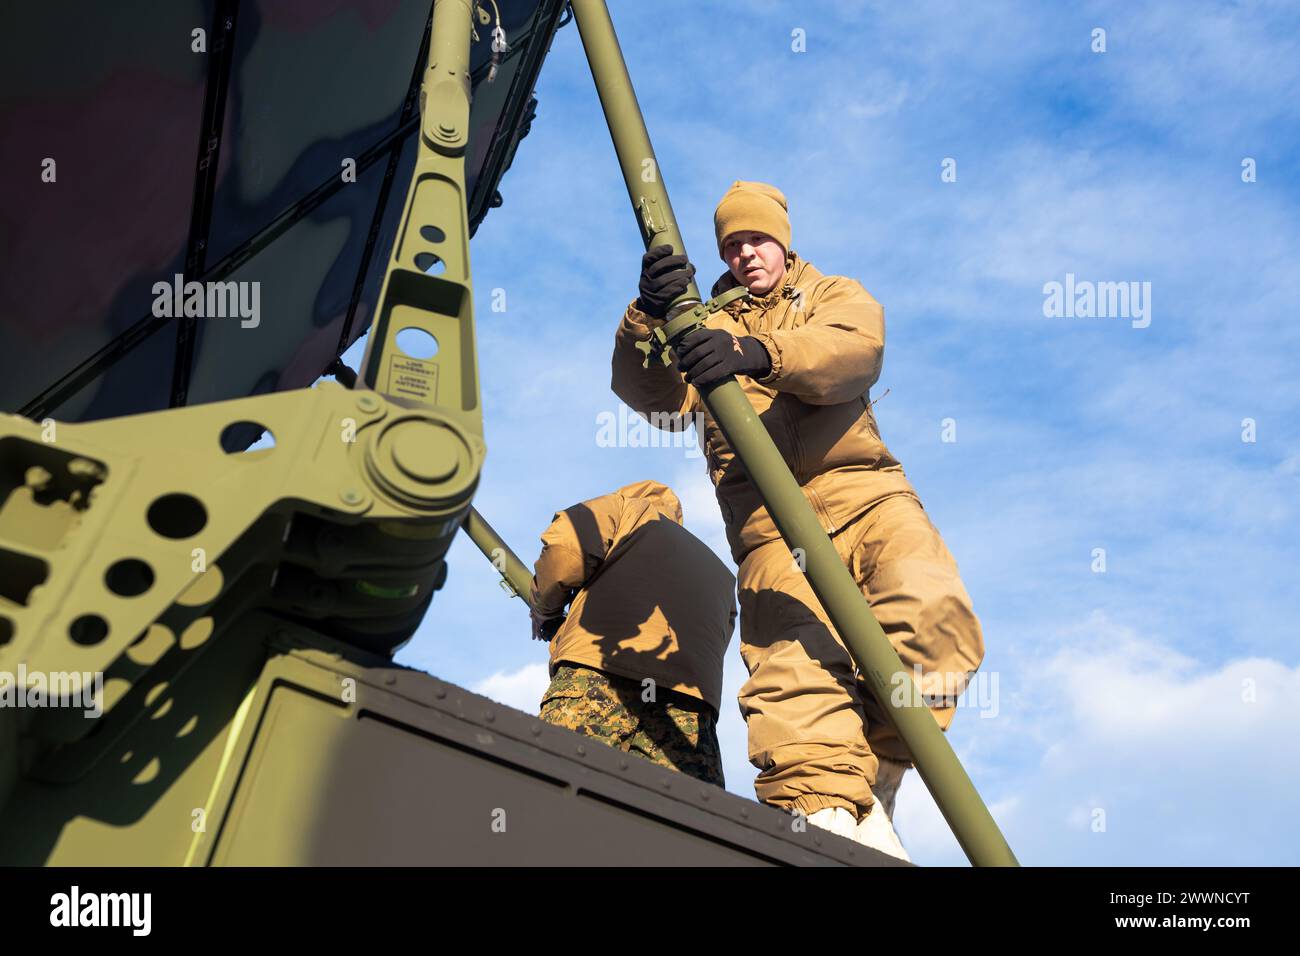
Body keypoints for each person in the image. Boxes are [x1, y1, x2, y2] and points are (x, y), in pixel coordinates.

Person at [610, 180, 985, 859]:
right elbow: (655, 400)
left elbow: (853, 352)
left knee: (933, 618)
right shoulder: (703, 324)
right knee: (796, 671)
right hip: (769, 529)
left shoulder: (831, 295)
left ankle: (874, 779)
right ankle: (829, 816)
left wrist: (762, 356)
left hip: (865, 496)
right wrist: (650, 315)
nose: (746, 253)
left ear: (782, 240)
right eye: (732, 244)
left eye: (757, 239)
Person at [530, 479, 736, 786]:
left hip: (600, 677)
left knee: (552, 788)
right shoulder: (719, 571)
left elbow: (566, 549)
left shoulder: (625, 509)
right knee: (676, 822)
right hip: (692, 710)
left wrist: (544, 609)